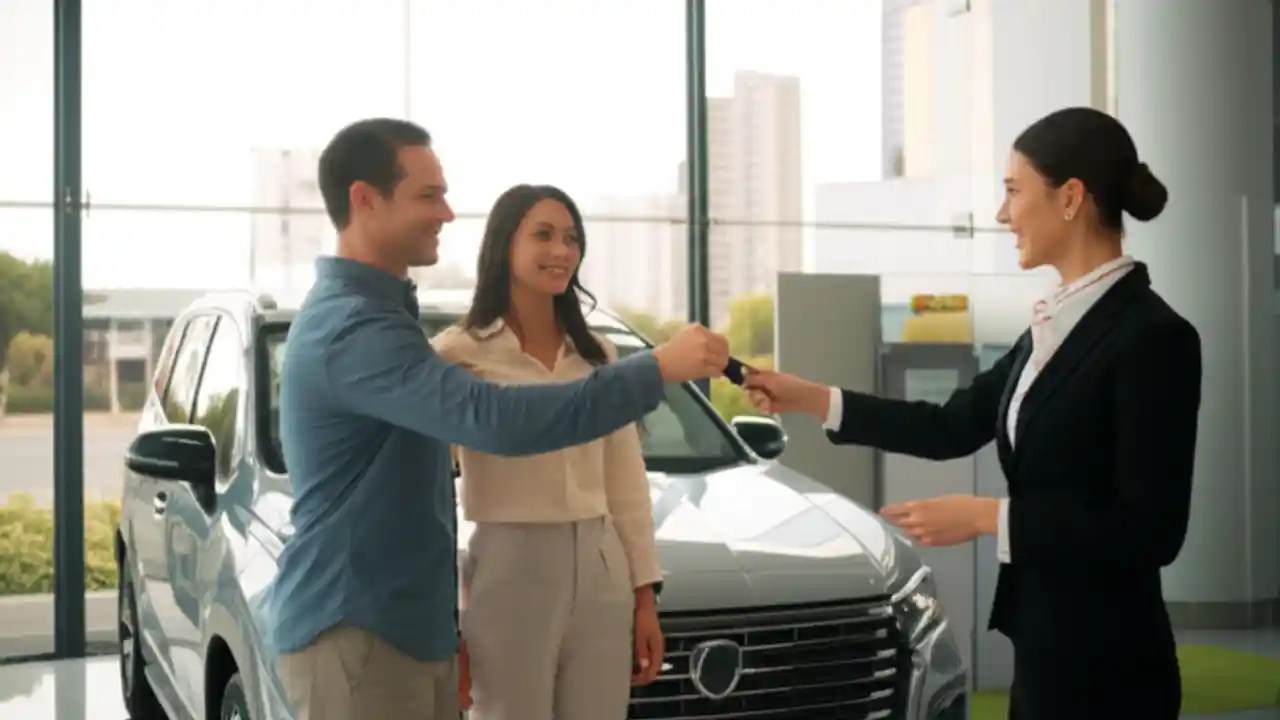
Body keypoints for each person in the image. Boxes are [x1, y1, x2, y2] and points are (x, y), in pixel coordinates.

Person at [743, 107, 1201, 720]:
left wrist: (990, 517)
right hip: (1043, 651)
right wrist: (808, 397)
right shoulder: (1050, 328)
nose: (1001, 214)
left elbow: (1151, 529)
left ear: (1069, 198)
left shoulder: (1154, 337)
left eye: (1013, 191)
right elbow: (948, 426)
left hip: (1112, 666)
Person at [263, 118, 729, 720]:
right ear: (364, 199)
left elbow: (614, 479)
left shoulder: (388, 323)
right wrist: (657, 367)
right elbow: (498, 422)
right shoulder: (358, 332)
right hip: (361, 625)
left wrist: (445, 630)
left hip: (406, 627)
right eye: (428, 195)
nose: (447, 213)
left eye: (571, 237)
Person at [431, 184, 664, 719]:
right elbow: (429, 498)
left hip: (602, 567)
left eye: (571, 239)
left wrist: (645, 598)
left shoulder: (597, 354)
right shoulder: (456, 354)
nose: (561, 251)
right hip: (509, 566)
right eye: (543, 235)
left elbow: (627, 484)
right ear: (503, 244)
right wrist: (445, 622)